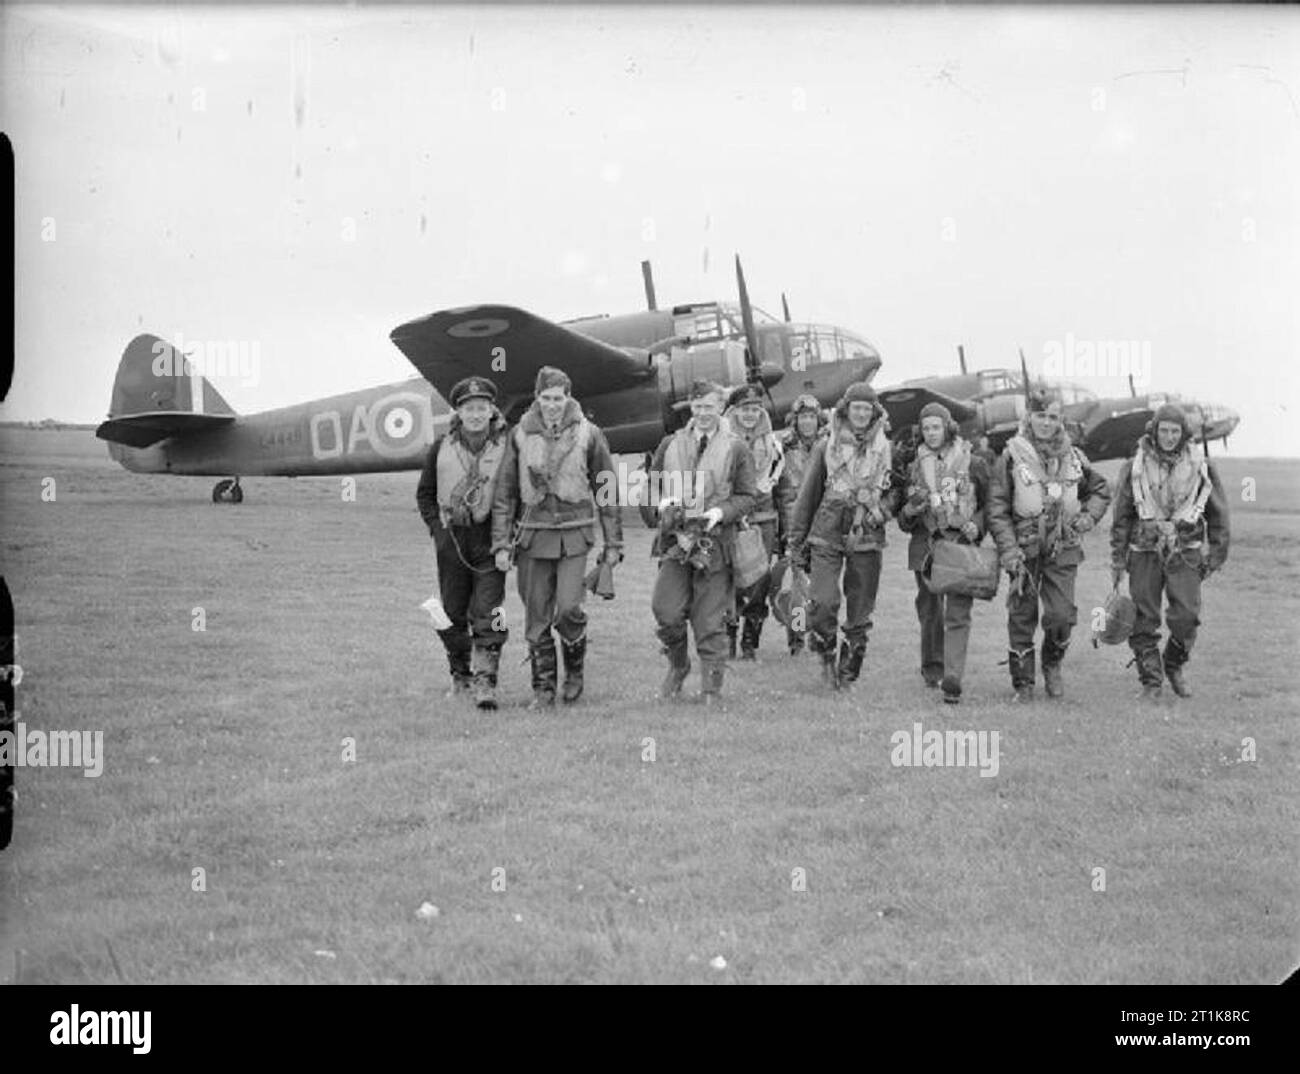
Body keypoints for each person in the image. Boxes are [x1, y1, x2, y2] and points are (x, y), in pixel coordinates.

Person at [491, 366, 623, 709]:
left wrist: (614, 542)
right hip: (532, 537)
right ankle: (544, 690)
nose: (552, 405)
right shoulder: (518, 435)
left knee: (567, 609)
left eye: (559, 398)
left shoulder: (590, 434)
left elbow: (606, 489)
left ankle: (574, 674)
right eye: (546, 398)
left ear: (568, 397)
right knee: (536, 617)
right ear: (537, 398)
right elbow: (505, 493)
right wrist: (502, 543)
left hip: (574, 535)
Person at [987, 389, 1112, 701]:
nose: (1046, 422)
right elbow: (997, 508)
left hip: (1063, 545)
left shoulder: (1074, 458)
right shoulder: (1011, 456)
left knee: (1061, 615)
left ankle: (1052, 664)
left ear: (1061, 420)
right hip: (1023, 546)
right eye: (1040, 415)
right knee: (1021, 614)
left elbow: (1100, 490)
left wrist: (1087, 519)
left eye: (1053, 417)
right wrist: (1008, 549)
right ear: (1029, 417)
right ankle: (1023, 683)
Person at [1109, 403, 1230, 699]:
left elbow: (1218, 514)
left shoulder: (1202, 466)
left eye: (1175, 431)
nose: (1169, 436)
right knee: (1142, 617)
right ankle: (1151, 681)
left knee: (1187, 616)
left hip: (1186, 550)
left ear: (1183, 433)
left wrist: (1216, 554)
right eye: (1164, 430)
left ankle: (1173, 665)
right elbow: (1122, 515)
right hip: (1144, 550)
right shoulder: (1134, 467)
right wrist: (1117, 555)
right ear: (1154, 431)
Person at [648, 380, 757, 705]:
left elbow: (747, 497)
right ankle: (678, 666)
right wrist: (661, 505)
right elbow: (649, 487)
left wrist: (719, 513)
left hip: (716, 546)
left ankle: (712, 689)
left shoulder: (737, 447)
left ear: (721, 408)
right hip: (675, 545)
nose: (703, 414)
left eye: (709, 407)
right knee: (665, 609)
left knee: (709, 621)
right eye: (697, 407)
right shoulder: (670, 443)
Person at [787, 382, 899, 690]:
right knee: (822, 603)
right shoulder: (826, 446)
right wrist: (796, 542)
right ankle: (826, 658)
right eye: (856, 408)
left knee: (860, 609)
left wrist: (883, 511)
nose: (861, 414)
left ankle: (848, 673)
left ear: (874, 412)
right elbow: (808, 496)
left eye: (867, 408)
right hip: (827, 531)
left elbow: (897, 493)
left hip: (867, 534)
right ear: (846, 410)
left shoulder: (887, 449)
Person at [416, 376, 509, 710]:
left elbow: (512, 493)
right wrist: (437, 531)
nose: (475, 414)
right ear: (458, 411)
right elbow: (425, 495)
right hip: (452, 540)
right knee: (453, 612)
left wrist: (505, 540)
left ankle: (486, 683)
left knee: (490, 610)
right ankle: (460, 676)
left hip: (490, 539)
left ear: (491, 410)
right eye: (469, 408)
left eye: (482, 408)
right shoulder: (439, 448)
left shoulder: (506, 446)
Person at [897, 402, 991, 704]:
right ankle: (932, 670)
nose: (931, 433)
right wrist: (912, 509)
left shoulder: (974, 463)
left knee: (958, 613)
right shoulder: (912, 467)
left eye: (936, 427)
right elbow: (902, 519)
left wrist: (977, 524)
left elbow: (992, 505)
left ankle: (952, 677)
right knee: (930, 611)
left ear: (949, 428)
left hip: (961, 546)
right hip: (926, 547)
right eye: (925, 428)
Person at [722, 383, 784, 660]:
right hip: (731, 517)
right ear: (734, 411)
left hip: (764, 516)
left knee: (759, 579)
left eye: (755, 409)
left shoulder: (774, 445)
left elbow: (778, 485)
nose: (750, 415)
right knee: (729, 580)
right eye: (745, 409)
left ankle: (750, 643)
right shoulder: (720, 441)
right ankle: (727, 641)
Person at [775, 394, 826, 654]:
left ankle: (817, 634)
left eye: (811, 417)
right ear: (795, 420)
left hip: (822, 524)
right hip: (791, 524)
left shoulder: (828, 446)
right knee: (796, 585)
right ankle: (796, 637)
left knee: (820, 586)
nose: (807, 422)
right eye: (803, 417)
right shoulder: (782, 448)